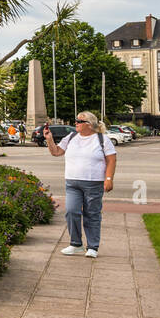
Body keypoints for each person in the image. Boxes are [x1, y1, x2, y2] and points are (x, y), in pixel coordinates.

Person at [46, 111, 116, 258]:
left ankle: (92, 247)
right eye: (76, 120)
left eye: (79, 121)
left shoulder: (102, 139)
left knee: (92, 214)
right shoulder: (71, 137)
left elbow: (111, 160)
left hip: (94, 183)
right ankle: (76, 244)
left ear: (89, 125)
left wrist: (108, 178)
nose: (75, 123)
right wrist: (49, 140)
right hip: (72, 182)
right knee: (71, 211)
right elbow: (56, 152)